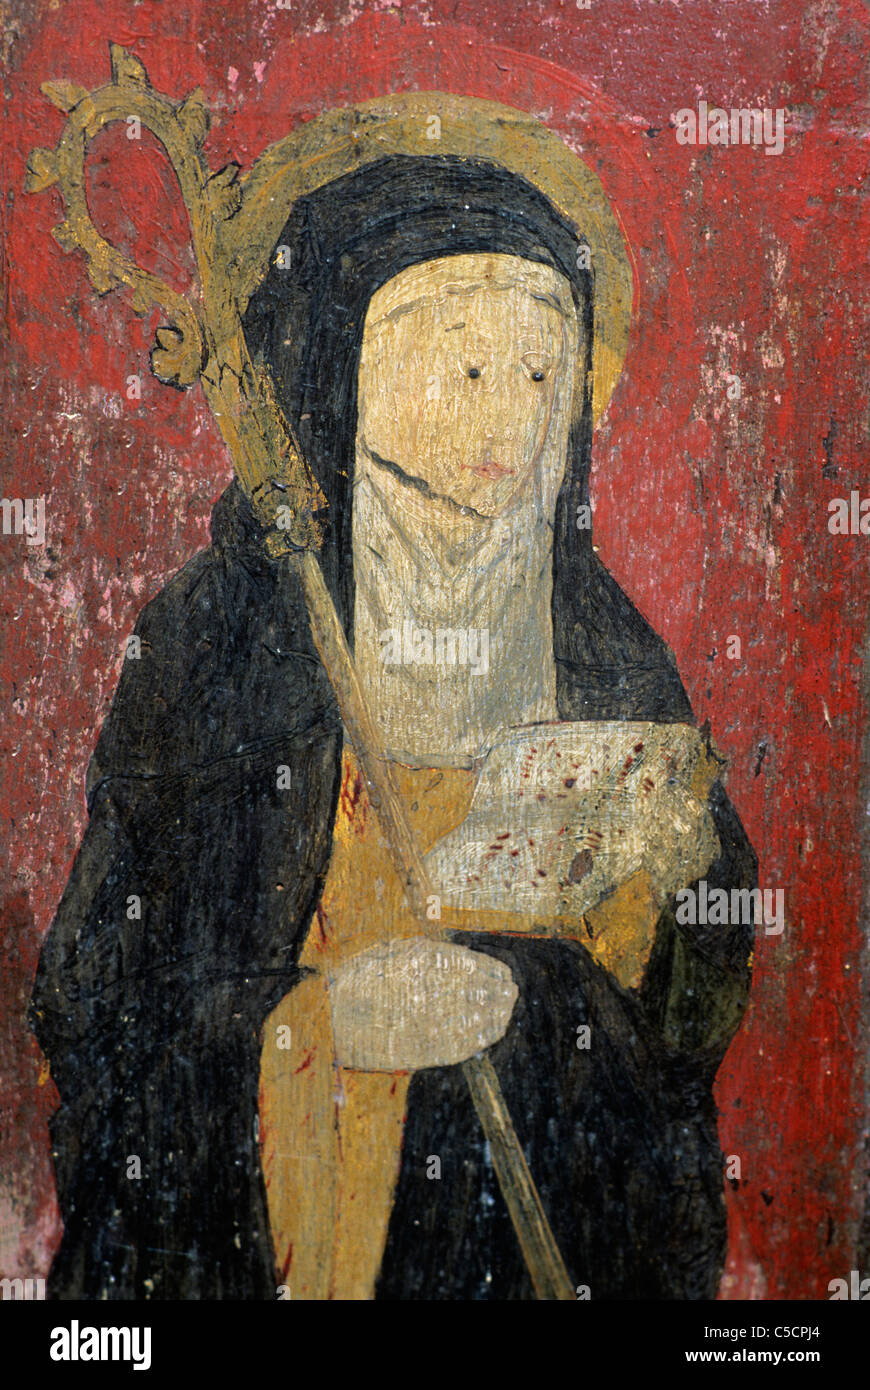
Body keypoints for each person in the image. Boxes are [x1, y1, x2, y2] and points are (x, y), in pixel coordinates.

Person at [30, 153, 756, 1301]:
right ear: (344, 367)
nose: (506, 419)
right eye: (460, 362)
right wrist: (315, 1023)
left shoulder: (608, 654)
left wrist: (546, 989)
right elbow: (99, 995)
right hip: (292, 1229)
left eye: (536, 369)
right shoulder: (227, 637)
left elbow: (692, 1003)